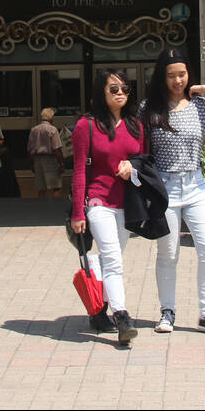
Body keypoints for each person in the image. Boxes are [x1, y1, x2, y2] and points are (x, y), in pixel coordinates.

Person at [139, 47, 205, 335]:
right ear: (162, 77)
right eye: (171, 75)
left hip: (195, 186)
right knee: (168, 254)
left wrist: (204, 87)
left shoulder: (200, 105)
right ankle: (167, 312)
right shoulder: (149, 108)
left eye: (182, 74)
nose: (177, 80)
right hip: (165, 188)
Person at [70, 68, 145, 345]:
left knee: (107, 259)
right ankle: (122, 316)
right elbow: (79, 171)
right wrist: (79, 212)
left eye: (125, 88)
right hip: (97, 201)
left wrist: (132, 167)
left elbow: (143, 161)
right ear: (101, 92)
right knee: (113, 258)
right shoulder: (86, 126)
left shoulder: (136, 125)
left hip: (126, 203)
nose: (121, 93)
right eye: (113, 89)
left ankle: (98, 310)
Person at [27, 108, 66, 199]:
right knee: (56, 186)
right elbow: (56, 148)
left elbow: (29, 149)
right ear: (51, 117)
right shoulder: (53, 130)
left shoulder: (34, 130)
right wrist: (61, 163)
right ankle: (55, 204)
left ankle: (41, 206)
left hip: (38, 160)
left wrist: (32, 163)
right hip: (50, 160)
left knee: (41, 187)